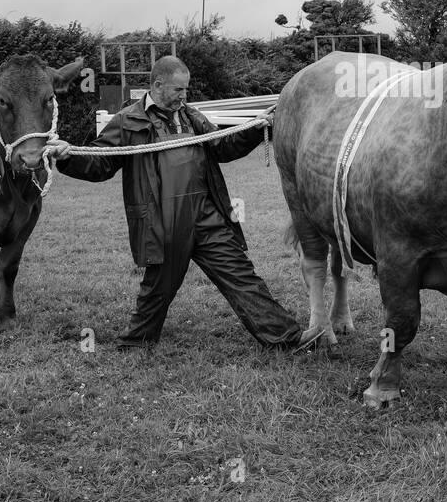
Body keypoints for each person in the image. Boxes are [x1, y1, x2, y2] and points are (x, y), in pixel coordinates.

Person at [46, 56, 316, 351]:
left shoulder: (191, 116)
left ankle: (285, 338)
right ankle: (137, 342)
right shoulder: (128, 120)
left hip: (206, 216)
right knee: (158, 290)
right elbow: (100, 165)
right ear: (158, 85)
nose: (183, 96)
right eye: (178, 90)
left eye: (186, 90)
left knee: (241, 276)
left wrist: (255, 128)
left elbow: (222, 147)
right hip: (162, 222)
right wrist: (68, 156)